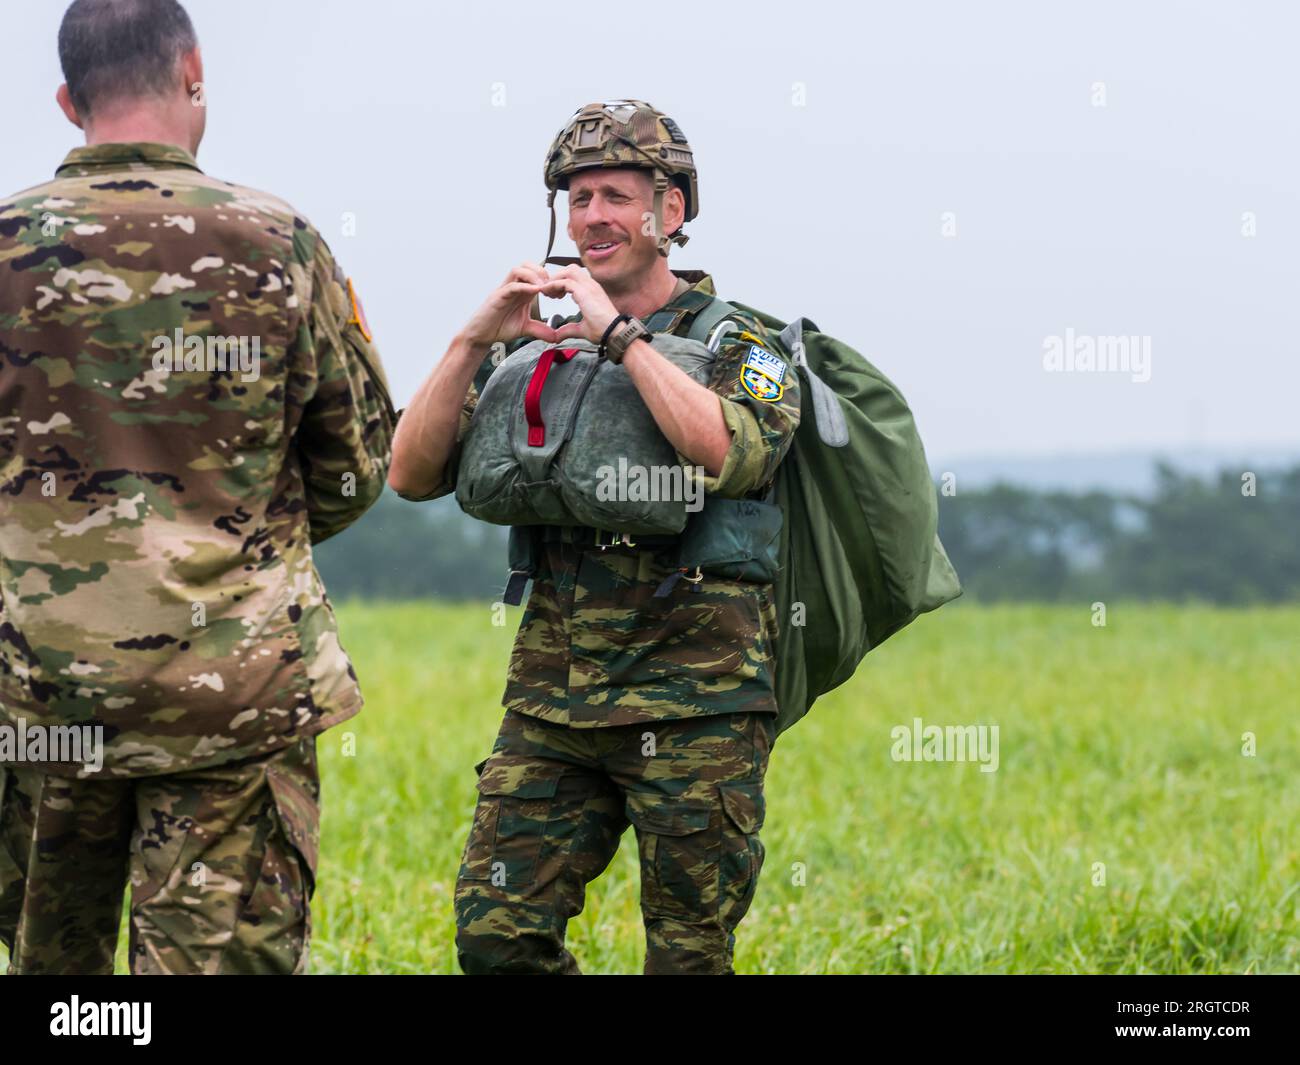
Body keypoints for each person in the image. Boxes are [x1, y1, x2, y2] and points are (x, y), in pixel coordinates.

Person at [0, 0, 394, 975]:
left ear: (66, 98)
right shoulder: (277, 243)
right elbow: (355, 467)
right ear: (193, 72)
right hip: (232, 704)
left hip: (40, 710)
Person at [388, 99, 801, 974]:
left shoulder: (742, 341)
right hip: (554, 701)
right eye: (576, 200)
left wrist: (621, 338)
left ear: (671, 212)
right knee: (497, 940)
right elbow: (410, 475)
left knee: (688, 958)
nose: (592, 218)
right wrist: (475, 337)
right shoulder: (535, 344)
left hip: (697, 708)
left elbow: (730, 449)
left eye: (615, 195)